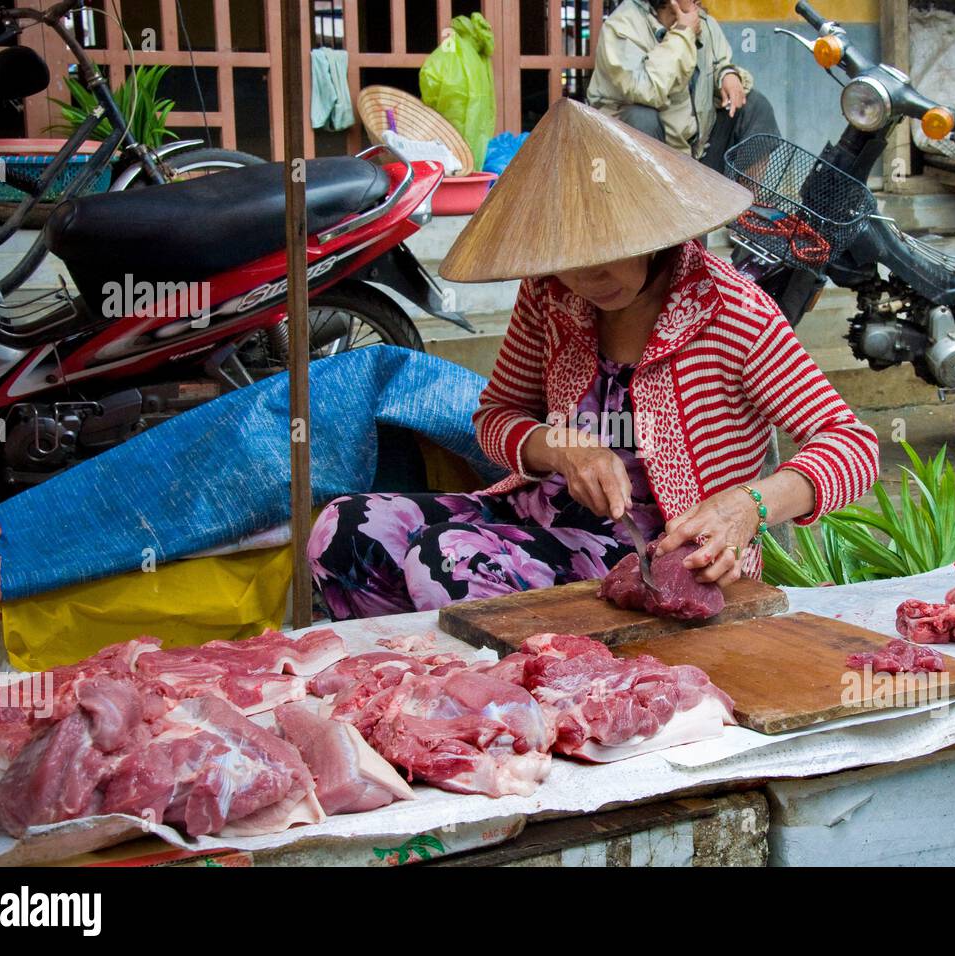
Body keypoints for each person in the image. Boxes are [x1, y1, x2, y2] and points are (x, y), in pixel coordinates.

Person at [307, 98, 877, 620]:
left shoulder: (732, 313)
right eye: (566, 262)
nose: (585, 280)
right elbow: (495, 417)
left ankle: (529, 700)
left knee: (449, 561)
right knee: (345, 528)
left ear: (653, 232)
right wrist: (559, 447)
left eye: (604, 258)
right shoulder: (550, 295)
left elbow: (852, 444)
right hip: (538, 521)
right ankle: (425, 690)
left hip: (660, 557)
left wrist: (746, 508)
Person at [587, 0, 779, 174]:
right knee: (641, 117)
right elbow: (646, 89)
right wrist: (682, 33)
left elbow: (719, 62)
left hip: (696, 150)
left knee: (755, 105)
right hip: (644, 160)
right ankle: (652, 207)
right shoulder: (622, 26)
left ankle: (749, 207)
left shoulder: (703, 22)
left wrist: (727, 75)